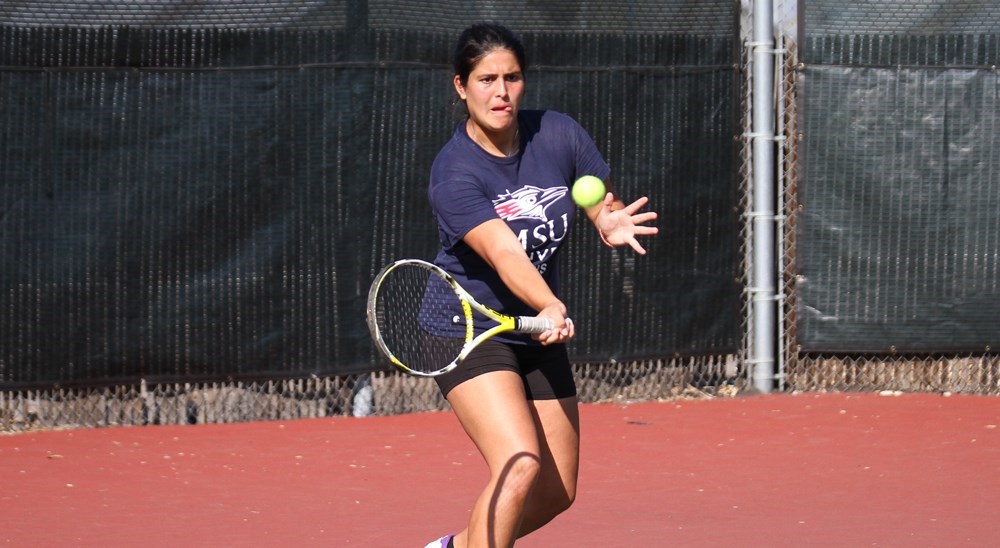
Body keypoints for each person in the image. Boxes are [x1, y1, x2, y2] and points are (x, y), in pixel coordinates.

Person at [424, 23, 658, 548]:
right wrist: (549, 302)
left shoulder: (558, 133)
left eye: (511, 77)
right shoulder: (454, 173)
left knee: (556, 490)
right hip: (468, 329)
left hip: (532, 329)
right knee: (519, 462)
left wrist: (608, 218)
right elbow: (505, 252)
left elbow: (597, 196)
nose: (500, 92)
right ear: (461, 86)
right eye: (486, 80)